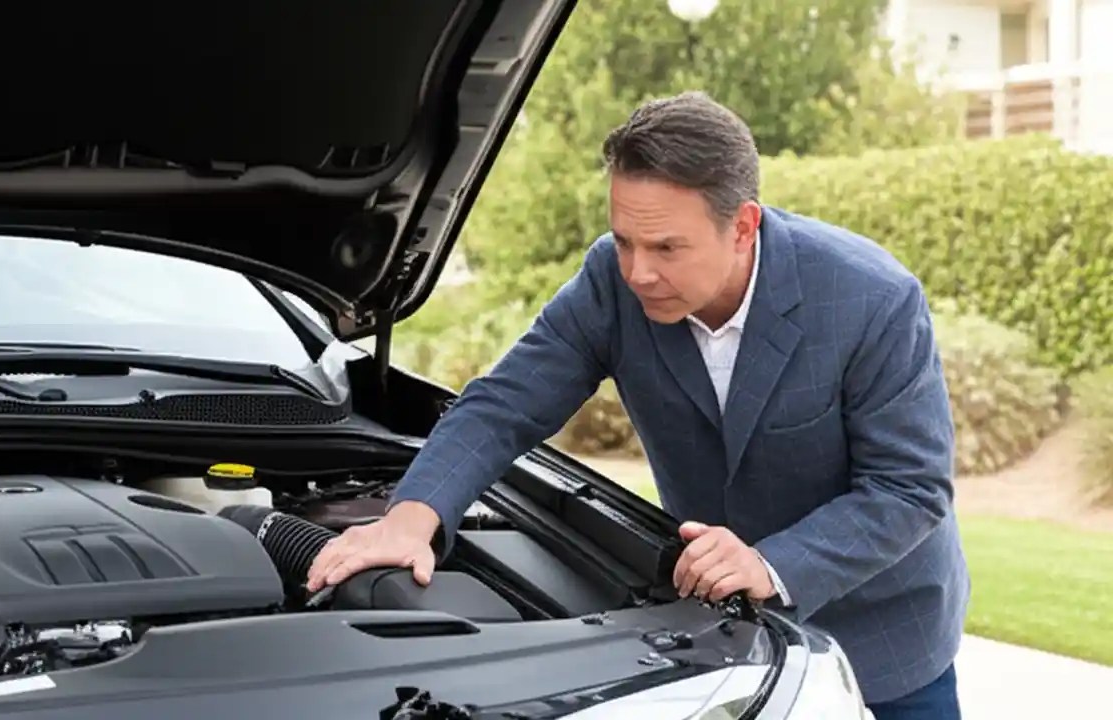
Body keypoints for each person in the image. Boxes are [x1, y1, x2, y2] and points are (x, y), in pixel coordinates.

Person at [306, 91, 969, 719]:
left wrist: (769, 565)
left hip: (883, 642)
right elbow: (504, 404)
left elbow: (908, 489)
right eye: (624, 239)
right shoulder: (612, 284)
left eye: (665, 247)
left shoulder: (870, 301)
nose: (637, 272)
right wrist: (411, 518)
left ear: (743, 226)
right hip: (721, 640)